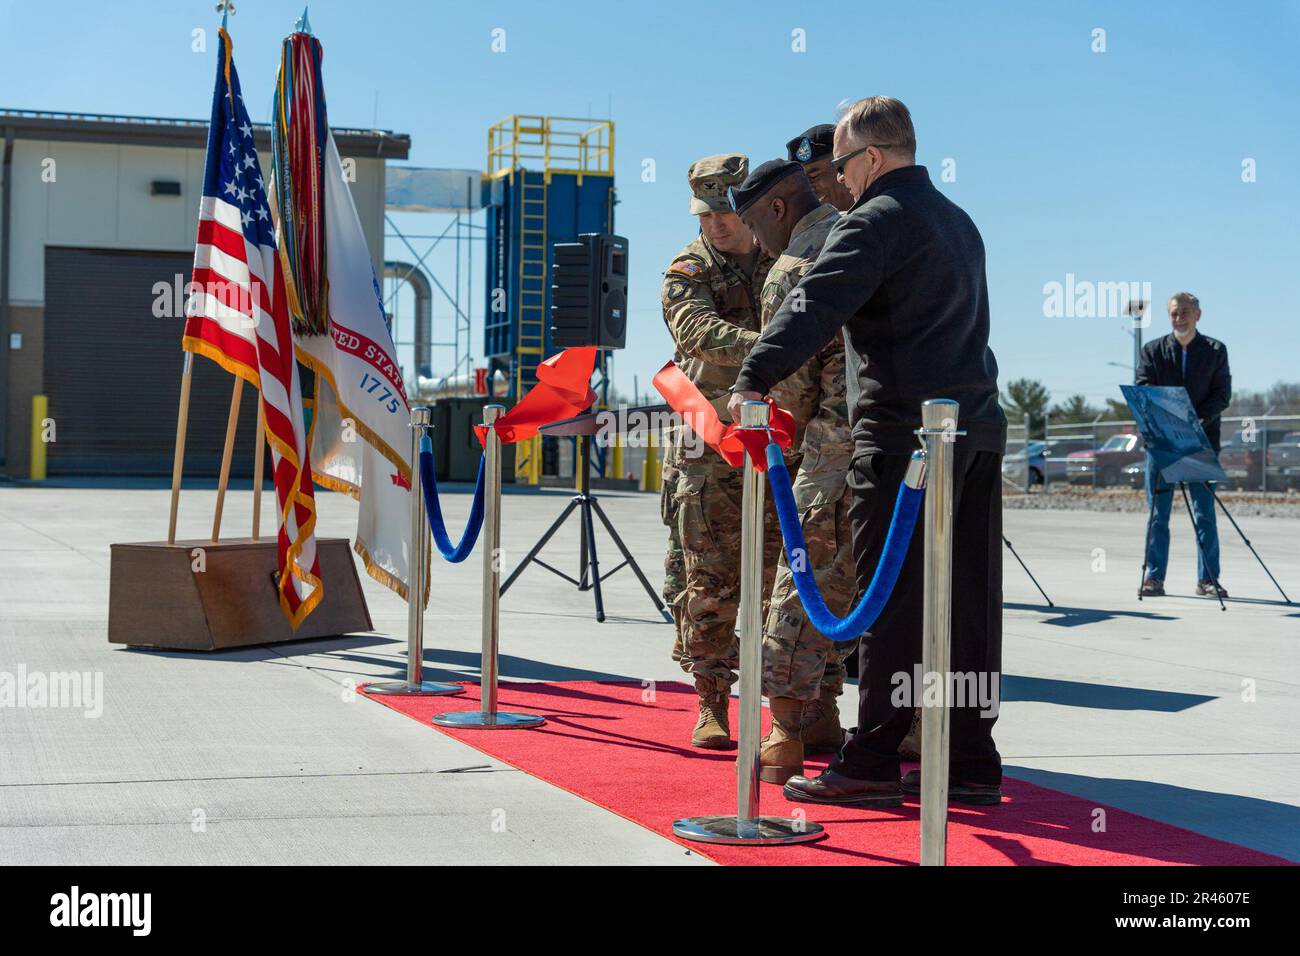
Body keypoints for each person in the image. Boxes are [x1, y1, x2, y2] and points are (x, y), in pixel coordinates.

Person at [729, 96, 1006, 807]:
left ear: (873, 158)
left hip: (903, 444)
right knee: (968, 601)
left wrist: (755, 376)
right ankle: (971, 754)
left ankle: (873, 757)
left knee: (893, 602)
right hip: (971, 432)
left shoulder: (876, 220)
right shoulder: (958, 221)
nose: (837, 181)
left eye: (843, 165)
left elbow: (816, 301)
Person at [728, 159, 856, 783]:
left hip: (830, 461)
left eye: (753, 223)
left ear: (778, 209)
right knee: (870, 592)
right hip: (899, 457)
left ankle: (784, 734)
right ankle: (836, 716)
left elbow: (794, 394)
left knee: (798, 587)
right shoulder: (866, 235)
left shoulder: (794, 270)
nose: (754, 240)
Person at [661, 153, 774, 748]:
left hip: (776, 439)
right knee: (709, 577)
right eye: (705, 214)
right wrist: (780, 344)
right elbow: (696, 332)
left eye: (726, 211)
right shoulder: (688, 268)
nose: (716, 225)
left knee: (790, 571)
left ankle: (803, 707)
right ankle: (711, 702)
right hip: (707, 443)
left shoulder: (780, 259)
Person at [1137, 293, 1231, 598]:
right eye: (1175, 313)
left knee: (1205, 514)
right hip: (1162, 443)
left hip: (1200, 442)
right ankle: (1154, 578)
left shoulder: (1215, 351)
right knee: (1158, 514)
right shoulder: (1152, 351)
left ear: (1198, 315)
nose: (1180, 318)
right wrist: (1170, 419)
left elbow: (1222, 394)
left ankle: (1208, 579)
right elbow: (1144, 387)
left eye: (1186, 313)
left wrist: (1195, 419)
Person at [786, 124, 854, 212]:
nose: (808, 188)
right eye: (801, 182)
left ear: (843, 170)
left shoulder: (875, 216)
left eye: (814, 176)